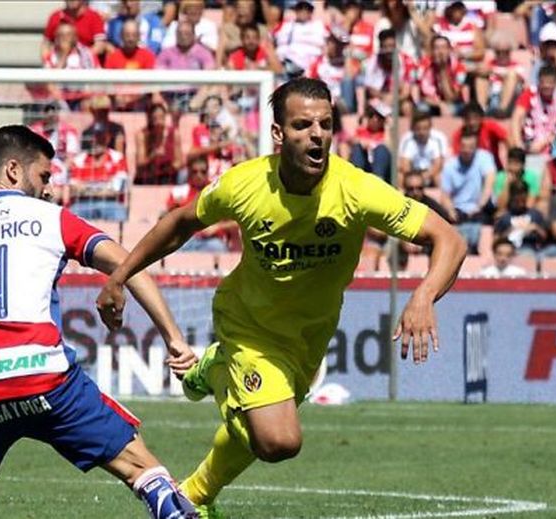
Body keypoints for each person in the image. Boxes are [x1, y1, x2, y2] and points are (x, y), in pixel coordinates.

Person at [95, 78, 467, 518]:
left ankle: (195, 493)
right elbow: (180, 223)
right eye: (302, 124)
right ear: (278, 134)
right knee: (279, 440)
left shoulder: (357, 190)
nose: (317, 135)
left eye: (325, 124)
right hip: (249, 326)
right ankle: (218, 371)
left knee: (264, 427)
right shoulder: (245, 184)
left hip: (309, 337)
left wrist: (423, 296)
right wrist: (120, 276)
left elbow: (450, 240)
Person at [0, 125, 198, 519]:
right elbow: (132, 264)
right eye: (43, 176)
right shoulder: (53, 218)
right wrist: (173, 337)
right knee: (143, 470)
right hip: (44, 377)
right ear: (12, 170)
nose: (48, 189)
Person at [440, 129, 496, 254]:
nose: (467, 150)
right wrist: (450, 211)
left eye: (471, 147)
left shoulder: (485, 158)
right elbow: (445, 195)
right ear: (459, 146)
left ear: (476, 147)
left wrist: (479, 206)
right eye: (464, 146)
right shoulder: (450, 166)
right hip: (459, 211)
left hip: (480, 209)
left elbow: (489, 184)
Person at [68, 124, 129, 221]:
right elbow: (74, 189)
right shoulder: (79, 160)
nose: (97, 141)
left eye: (101, 137)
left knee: (119, 213)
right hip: (83, 204)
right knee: (71, 216)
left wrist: (86, 187)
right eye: (94, 137)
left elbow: (117, 190)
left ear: (107, 138)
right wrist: (105, 187)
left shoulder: (118, 158)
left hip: (110, 203)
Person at [510, 64, 556, 155]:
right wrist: (518, 145)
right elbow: (516, 117)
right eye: (543, 82)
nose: (546, 86)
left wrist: (542, 143)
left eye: (550, 82)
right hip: (528, 140)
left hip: (552, 144)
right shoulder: (530, 93)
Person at [493, 179, 548, 256]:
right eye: (517, 194)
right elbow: (496, 241)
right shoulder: (505, 218)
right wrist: (510, 230)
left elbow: (545, 237)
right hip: (509, 251)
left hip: (529, 249)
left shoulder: (535, 215)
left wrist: (536, 228)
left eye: (523, 194)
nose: (520, 198)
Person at [398, 108, 449, 187]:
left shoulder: (438, 138)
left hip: (431, 174)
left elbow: (438, 164)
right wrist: (415, 178)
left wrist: (424, 177)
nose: (422, 132)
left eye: (425, 128)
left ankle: (441, 198)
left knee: (439, 177)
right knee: (400, 177)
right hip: (412, 174)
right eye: (418, 129)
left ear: (430, 127)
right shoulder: (407, 139)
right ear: (413, 128)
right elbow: (405, 165)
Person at [134, 102, 183, 185]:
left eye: (161, 117)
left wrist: (168, 168)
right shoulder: (142, 135)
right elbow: (140, 162)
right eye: (155, 118)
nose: (158, 122)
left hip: (167, 174)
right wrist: (152, 156)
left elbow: (179, 161)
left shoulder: (174, 134)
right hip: (148, 174)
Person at [493, 147, 542, 214]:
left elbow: (529, 204)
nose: (512, 167)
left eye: (516, 164)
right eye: (510, 162)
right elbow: (500, 206)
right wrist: (507, 184)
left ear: (523, 165)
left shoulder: (531, 177)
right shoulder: (500, 177)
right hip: (506, 212)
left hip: (525, 212)